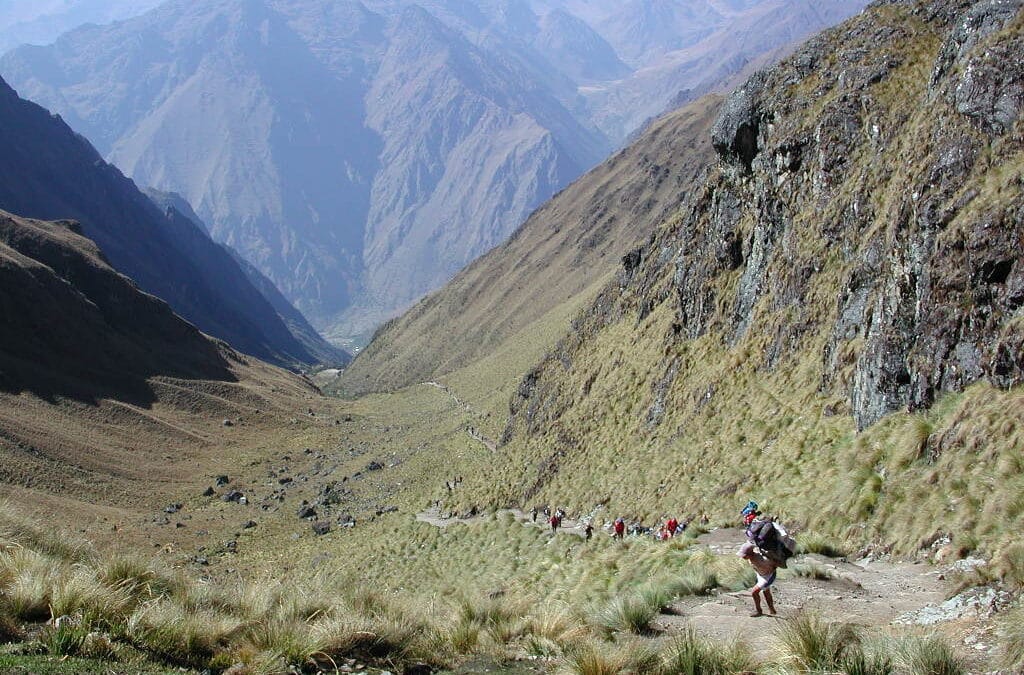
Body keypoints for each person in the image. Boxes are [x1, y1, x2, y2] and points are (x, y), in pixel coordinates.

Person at [738, 542, 778, 617]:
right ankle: (772, 609)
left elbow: (774, 565)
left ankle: (758, 611)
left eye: (745, 555)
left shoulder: (762, 559)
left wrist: (770, 571)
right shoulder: (752, 557)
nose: (743, 557)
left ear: (750, 554)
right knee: (766, 591)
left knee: (754, 592)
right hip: (760, 574)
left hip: (768, 576)